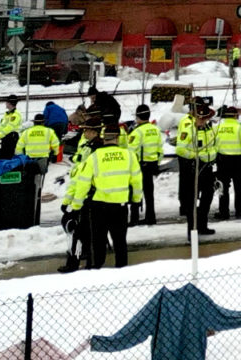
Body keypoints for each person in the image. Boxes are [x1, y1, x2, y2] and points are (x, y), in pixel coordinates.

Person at [65, 125, 141, 270]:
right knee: (120, 242)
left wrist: (75, 206)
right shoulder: (129, 156)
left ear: (103, 138)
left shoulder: (94, 157)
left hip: (99, 207)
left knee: (98, 242)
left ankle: (96, 270)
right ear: (117, 138)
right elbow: (137, 181)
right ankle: (122, 270)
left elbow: (83, 183)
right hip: (120, 206)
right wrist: (136, 201)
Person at [58, 119, 103, 272]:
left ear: (94, 132)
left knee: (80, 232)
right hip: (81, 195)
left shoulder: (95, 150)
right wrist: (68, 200)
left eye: (87, 130)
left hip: (88, 198)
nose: (84, 133)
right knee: (79, 232)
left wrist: (74, 202)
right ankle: (79, 262)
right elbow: (77, 175)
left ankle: (78, 264)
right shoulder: (86, 148)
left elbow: (85, 178)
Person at [176, 101, 218, 237]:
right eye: (199, 118)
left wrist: (211, 155)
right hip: (193, 169)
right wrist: (195, 156)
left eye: (204, 119)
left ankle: (202, 225)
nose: (202, 121)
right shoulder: (188, 130)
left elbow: (214, 146)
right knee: (191, 201)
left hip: (207, 169)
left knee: (207, 197)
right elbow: (180, 149)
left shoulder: (210, 130)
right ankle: (192, 231)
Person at [127, 105, 163, 226]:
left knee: (136, 190)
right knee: (149, 193)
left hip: (140, 165)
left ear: (138, 117)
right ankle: (151, 217)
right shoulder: (155, 129)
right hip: (152, 164)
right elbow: (160, 149)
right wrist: (157, 162)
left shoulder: (137, 132)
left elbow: (130, 150)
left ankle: (134, 218)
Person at [214, 106, 241, 221]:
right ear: (236, 116)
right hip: (237, 160)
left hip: (222, 160)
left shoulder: (218, 128)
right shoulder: (240, 128)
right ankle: (239, 211)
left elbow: (212, 143)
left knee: (223, 187)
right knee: (239, 186)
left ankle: (224, 212)